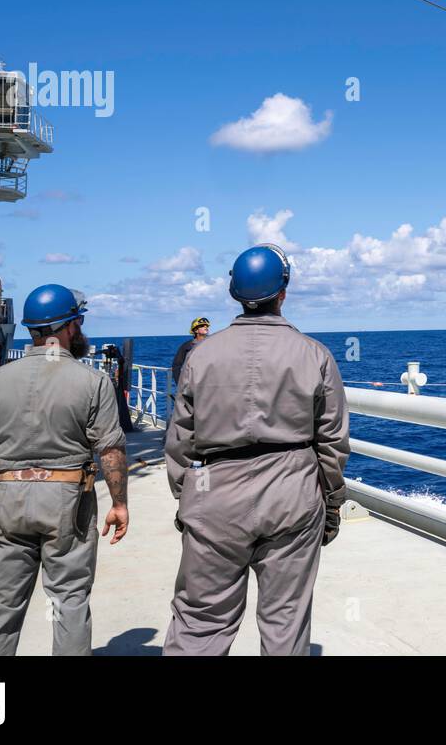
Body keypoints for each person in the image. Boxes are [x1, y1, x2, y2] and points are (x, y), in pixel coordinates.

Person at [165, 244, 350, 656]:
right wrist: (332, 503)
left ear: (234, 291)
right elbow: (333, 443)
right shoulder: (315, 355)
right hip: (292, 491)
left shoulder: (201, 355)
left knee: (200, 622)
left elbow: (180, 437)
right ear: (283, 292)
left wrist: (187, 495)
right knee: (285, 622)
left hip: (214, 492)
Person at [0, 284, 129, 656]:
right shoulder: (92, 381)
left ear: (30, 330)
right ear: (72, 325)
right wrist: (119, 502)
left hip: (7, 498)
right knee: (68, 602)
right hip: (67, 500)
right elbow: (110, 450)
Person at [169, 316, 210, 391]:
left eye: (207, 326)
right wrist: (180, 384)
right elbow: (176, 366)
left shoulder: (212, 344)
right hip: (191, 385)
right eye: (202, 326)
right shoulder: (187, 346)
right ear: (196, 330)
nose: (205, 327)